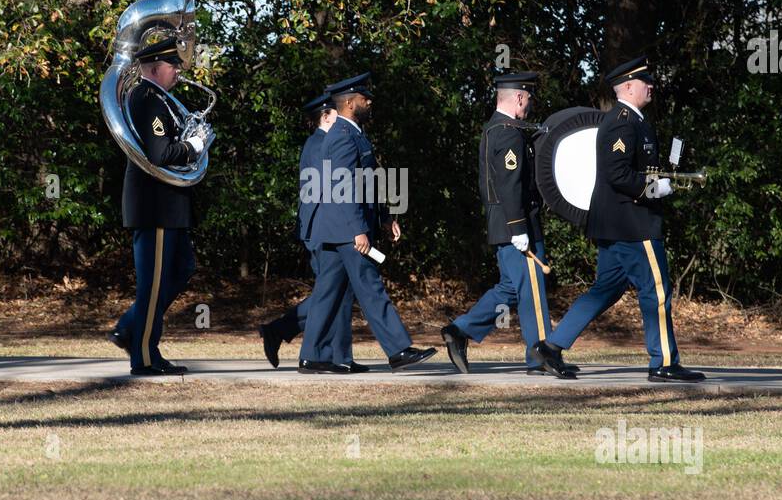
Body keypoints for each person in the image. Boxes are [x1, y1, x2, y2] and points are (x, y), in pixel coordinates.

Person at [530, 55, 705, 383]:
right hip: (632, 224)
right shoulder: (623, 121)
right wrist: (655, 188)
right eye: (645, 82)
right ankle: (663, 362)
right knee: (656, 290)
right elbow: (617, 173)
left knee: (605, 290)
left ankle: (551, 346)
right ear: (627, 86)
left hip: (618, 224)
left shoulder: (633, 120)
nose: (651, 85)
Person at [298, 72, 436, 373]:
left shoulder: (353, 132)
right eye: (364, 98)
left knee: (328, 292)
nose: (369, 101)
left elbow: (368, 183)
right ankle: (399, 350)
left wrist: (385, 217)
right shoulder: (342, 136)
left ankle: (312, 356)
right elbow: (342, 187)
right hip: (346, 227)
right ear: (349, 103)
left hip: (341, 227)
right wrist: (359, 230)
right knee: (371, 286)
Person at [441, 71, 574, 378]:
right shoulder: (508, 133)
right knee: (532, 291)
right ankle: (541, 354)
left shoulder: (494, 129)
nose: (530, 105)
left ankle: (460, 330)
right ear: (517, 98)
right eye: (528, 98)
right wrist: (519, 229)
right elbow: (510, 184)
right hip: (517, 225)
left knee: (510, 291)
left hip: (505, 225)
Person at [110, 35, 214, 376]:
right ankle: (143, 356)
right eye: (173, 66)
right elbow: (160, 154)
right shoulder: (147, 98)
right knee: (153, 285)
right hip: (154, 205)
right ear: (155, 68)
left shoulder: (162, 99)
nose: (178, 72)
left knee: (181, 268)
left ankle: (131, 328)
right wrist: (193, 147)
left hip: (168, 205)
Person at [258, 92, 363, 371]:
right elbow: (332, 192)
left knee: (337, 291)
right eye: (335, 115)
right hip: (323, 230)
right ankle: (302, 342)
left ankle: (337, 355)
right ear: (326, 116)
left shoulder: (325, 141)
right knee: (331, 291)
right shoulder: (320, 144)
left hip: (328, 228)